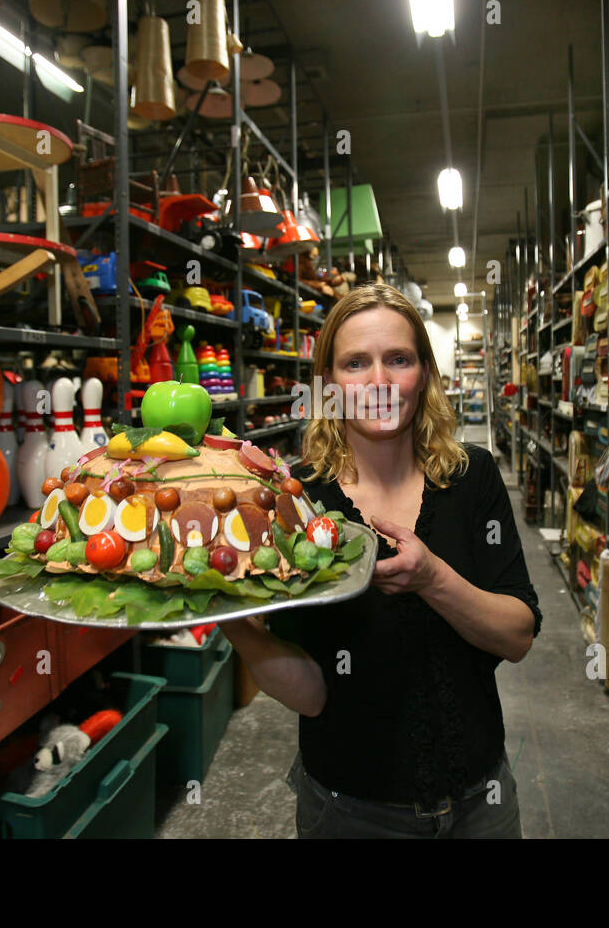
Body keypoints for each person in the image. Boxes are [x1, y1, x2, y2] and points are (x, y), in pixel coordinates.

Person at [220, 283, 541, 838]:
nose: (378, 381)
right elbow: (311, 694)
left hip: (481, 803)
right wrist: (225, 615)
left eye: (398, 359)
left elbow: (517, 637)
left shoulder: (472, 478)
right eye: (355, 363)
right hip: (349, 811)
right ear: (328, 385)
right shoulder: (298, 499)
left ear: (425, 373)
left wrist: (432, 578)